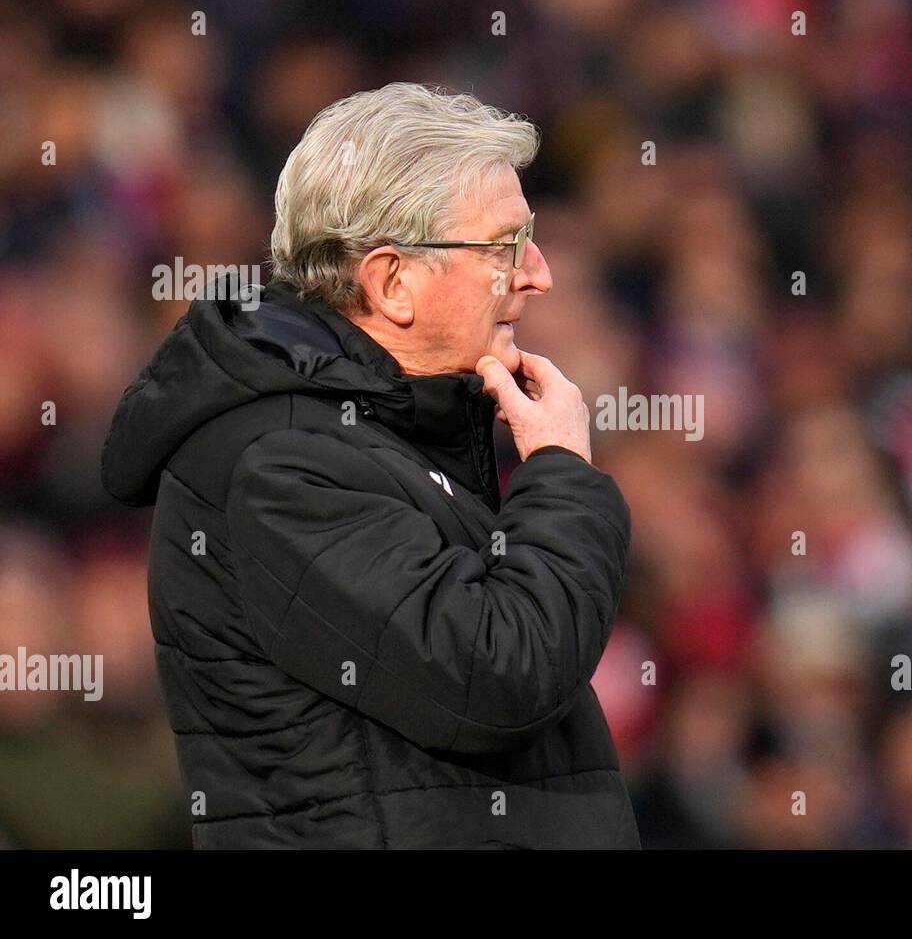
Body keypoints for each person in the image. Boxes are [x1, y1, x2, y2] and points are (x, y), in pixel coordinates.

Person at [100, 83, 640, 848]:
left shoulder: (385, 427)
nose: (538, 275)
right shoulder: (281, 463)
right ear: (391, 281)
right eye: (505, 247)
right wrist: (560, 471)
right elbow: (497, 673)